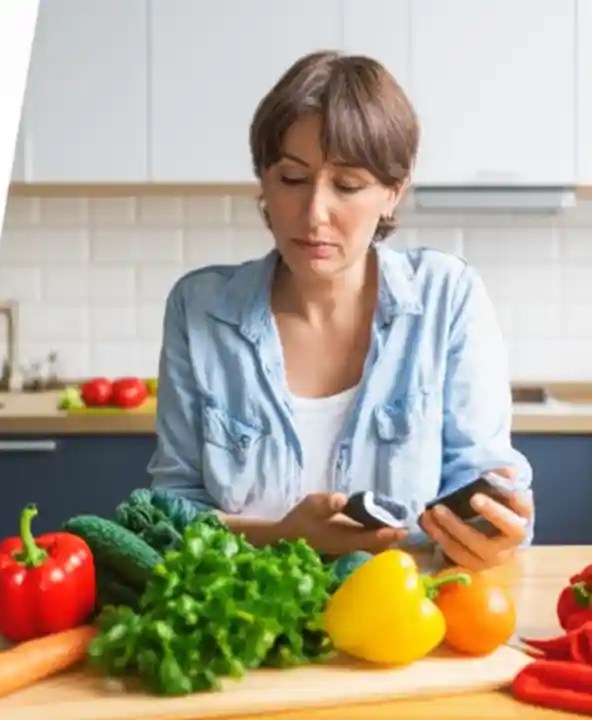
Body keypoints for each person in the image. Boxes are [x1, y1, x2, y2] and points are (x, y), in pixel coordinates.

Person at [147, 50, 534, 571]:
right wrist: (280, 535)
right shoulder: (200, 312)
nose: (314, 214)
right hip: (252, 628)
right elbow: (170, 514)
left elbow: (487, 483)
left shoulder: (448, 298)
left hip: (407, 627)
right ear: (263, 180)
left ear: (392, 194)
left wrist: (498, 532)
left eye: (347, 186)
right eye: (291, 179)